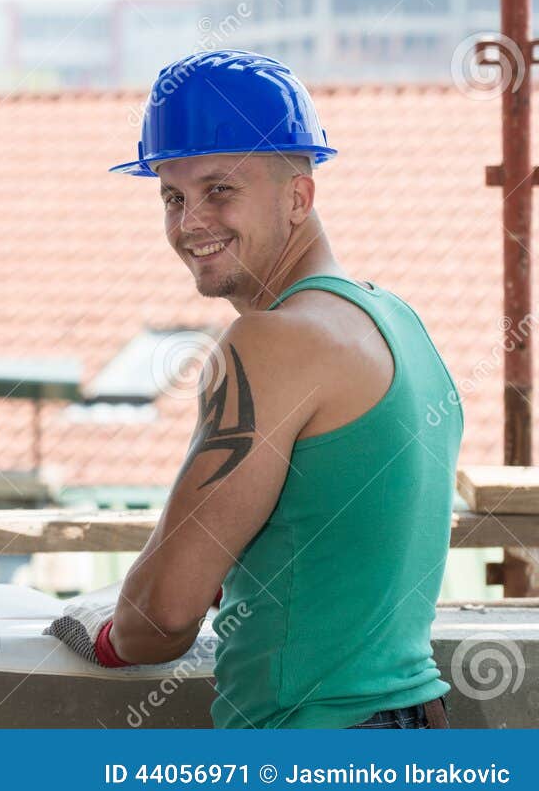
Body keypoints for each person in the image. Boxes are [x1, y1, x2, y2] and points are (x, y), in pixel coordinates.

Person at [49, 48, 460, 728]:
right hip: (412, 723)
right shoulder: (397, 322)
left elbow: (161, 619)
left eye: (220, 190)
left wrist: (104, 624)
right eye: (173, 197)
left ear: (299, 197)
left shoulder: (270, 341)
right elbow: (331, 548)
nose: (189, 224)